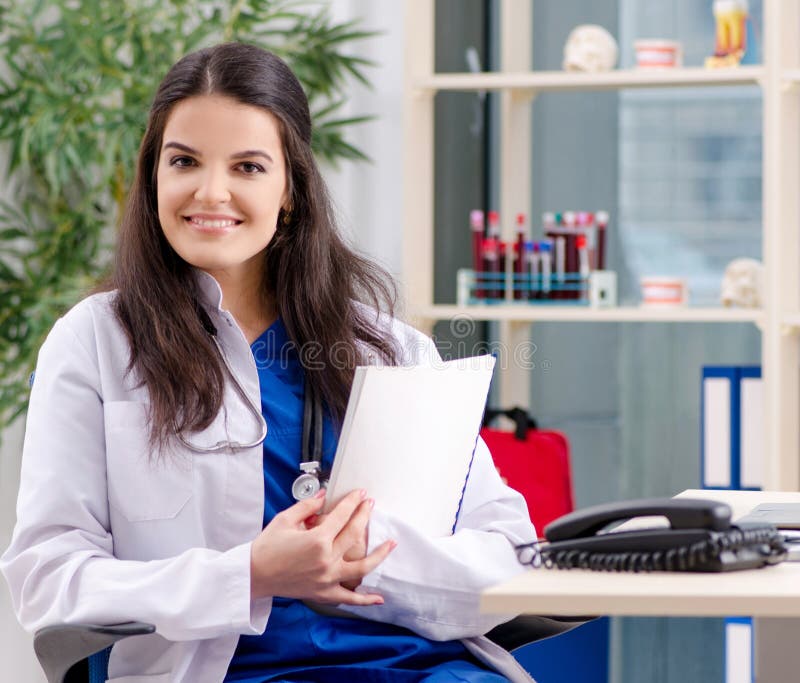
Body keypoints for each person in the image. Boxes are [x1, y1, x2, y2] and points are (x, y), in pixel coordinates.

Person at [1, 43, 537, 682]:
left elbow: (510, 558)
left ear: (291, 189)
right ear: (153, 177)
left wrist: (371, 560)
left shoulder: (388, 349)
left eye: (248, 166)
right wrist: (250, 574)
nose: (211, 191)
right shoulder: (93, 342)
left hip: (420, 668)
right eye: (184, 161)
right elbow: (48, 579)